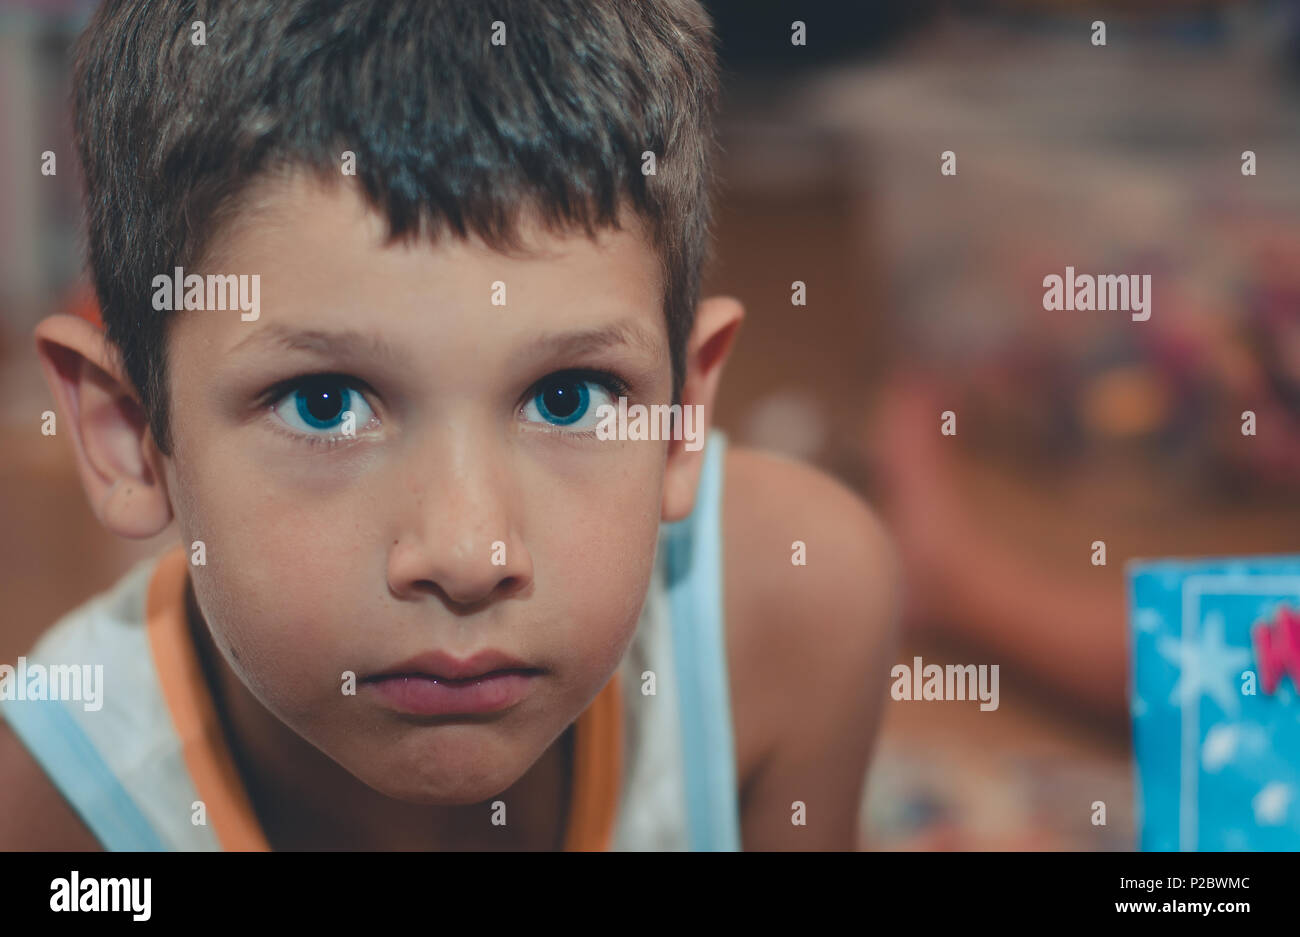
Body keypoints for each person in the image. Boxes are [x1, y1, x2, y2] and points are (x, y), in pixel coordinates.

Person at [0, 0, 899, 851]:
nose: (469, 552)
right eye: (327, 404)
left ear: (679, 419)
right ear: (126, 433)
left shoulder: (794, 622)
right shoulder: (59, 798)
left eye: (568, 396)